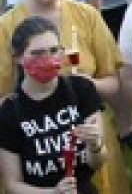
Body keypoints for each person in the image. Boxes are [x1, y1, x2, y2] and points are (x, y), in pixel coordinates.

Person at [0, 16, 107, 194]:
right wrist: (53, 192)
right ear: (18, 57)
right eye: (37, 53)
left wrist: (95, 145)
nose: (48, 60)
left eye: (54, 50)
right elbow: (12, 184)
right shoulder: (9, 111)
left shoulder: (81, 89)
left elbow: (97, 163)